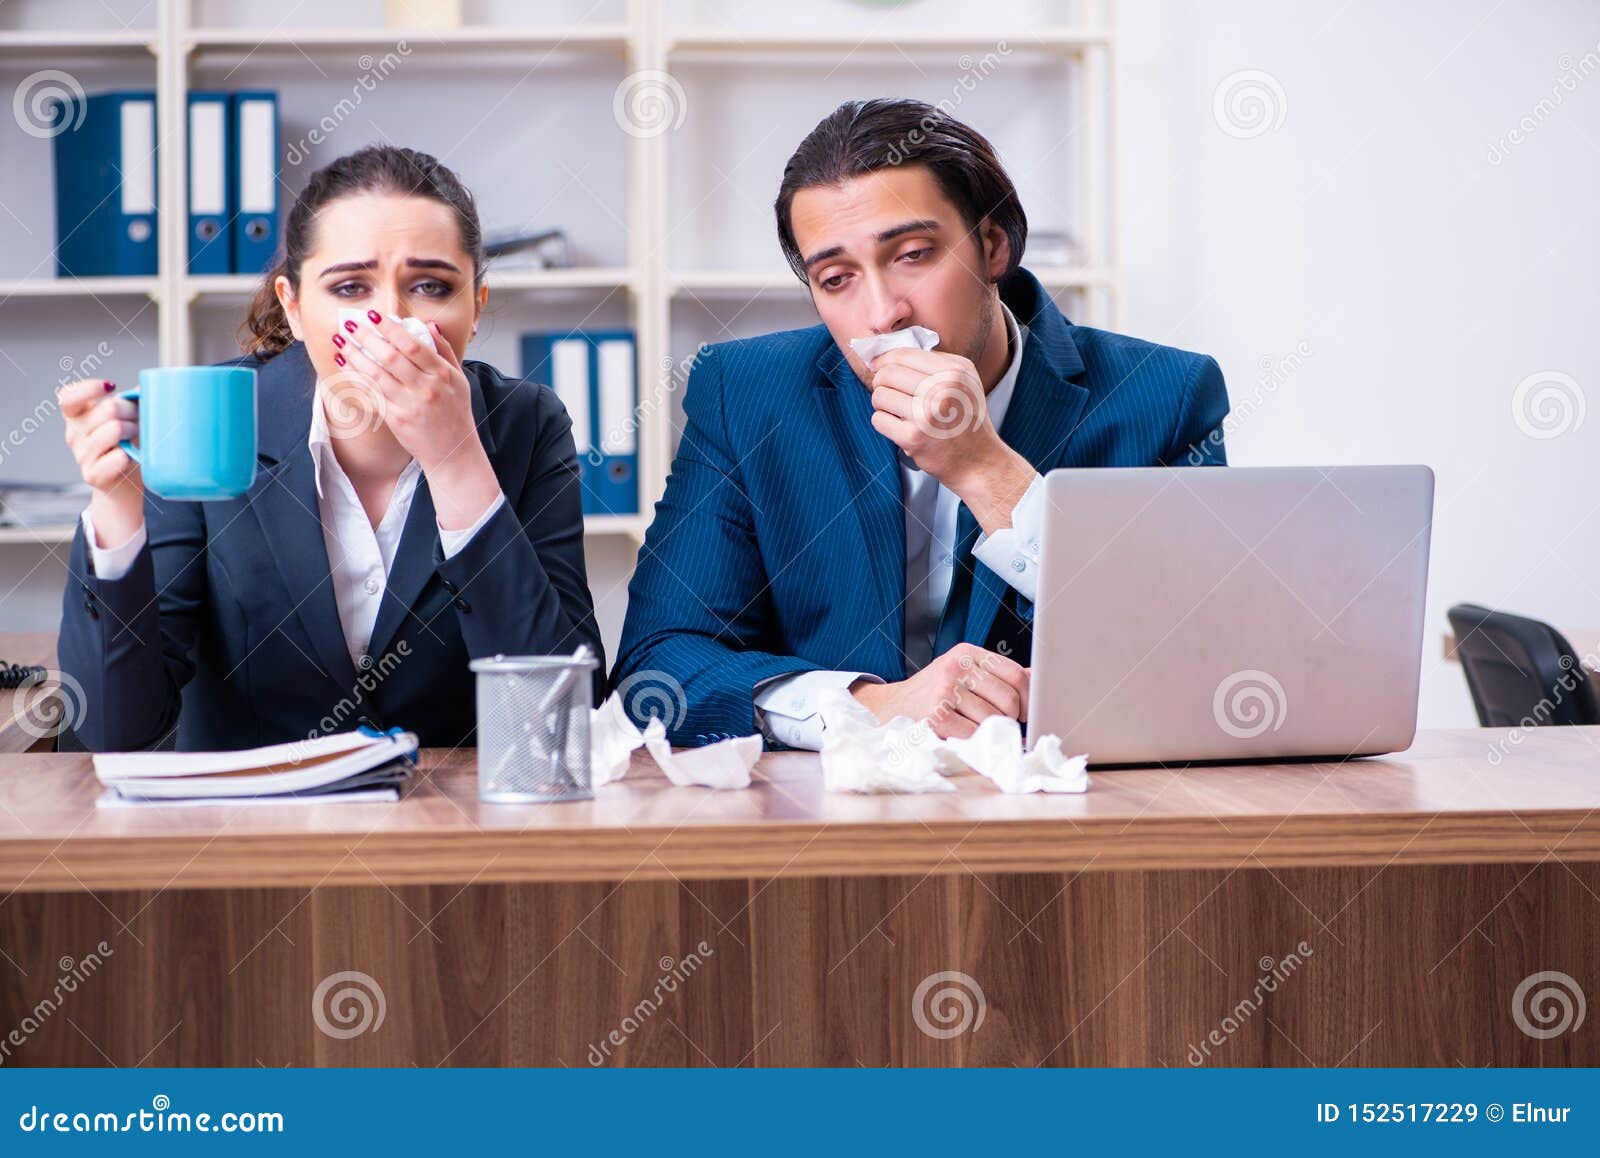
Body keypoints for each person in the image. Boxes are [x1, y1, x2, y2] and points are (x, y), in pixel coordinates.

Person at [613, 99, 1229, 749]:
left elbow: (1194, 662)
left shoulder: (1165, 397)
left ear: (992, 245)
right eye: (836, 278)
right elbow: (657, 668)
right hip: (823, 824)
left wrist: (985, 469)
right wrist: (865, 706)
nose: (881, 313)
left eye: (912, 254)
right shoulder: (745, 395)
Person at [58, 145, 602, 751]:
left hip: (454, 831)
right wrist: (115, 511)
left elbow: (561, 724)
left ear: (475, 306)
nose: (388, 319)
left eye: (429, 286)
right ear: (293, 307)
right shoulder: (215, 417)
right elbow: (112, 731)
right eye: (349, 288)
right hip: (248, 831)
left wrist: (456, 460)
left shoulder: (526, 425)